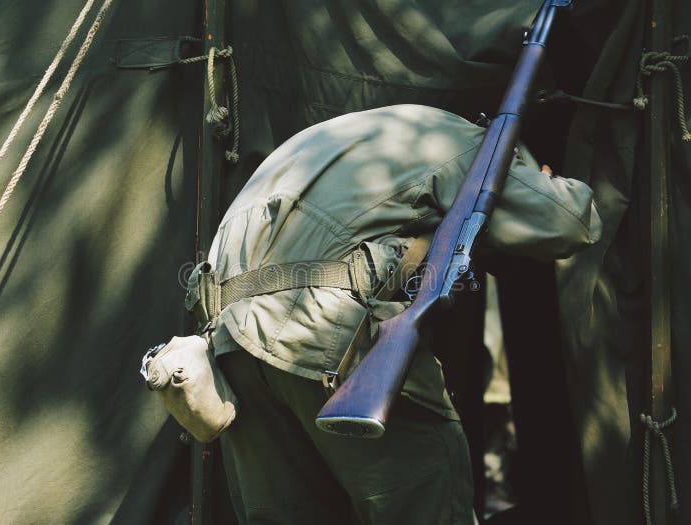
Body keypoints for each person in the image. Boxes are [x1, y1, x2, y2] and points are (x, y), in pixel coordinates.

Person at [187, 104, 602, 525]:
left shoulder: (340, 140)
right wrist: (543, 183)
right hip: (326, 334)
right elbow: (569, 222)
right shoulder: (465, 144)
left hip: (230, 342)